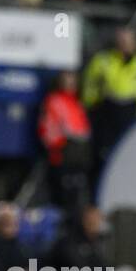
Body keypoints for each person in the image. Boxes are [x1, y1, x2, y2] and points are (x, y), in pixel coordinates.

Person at [81, 28, 136, 192]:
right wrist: (92, 103)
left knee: (131, 157)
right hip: (106, 113)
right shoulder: (103, 61)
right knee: (102, 158)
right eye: (121, 41)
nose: (125, 45)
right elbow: (90, 85)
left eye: (128, 41)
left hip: (133, 114)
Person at [37, 71, 91, 213]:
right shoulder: (54, 101)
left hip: (78, 156)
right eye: (67, 81)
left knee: (76, 196)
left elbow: (83, 129)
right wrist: (58, 148)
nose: (71, 84)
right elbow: (48, 129)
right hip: (61, 156)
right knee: (60, 197)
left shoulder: (77, 103)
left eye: (73, 81)